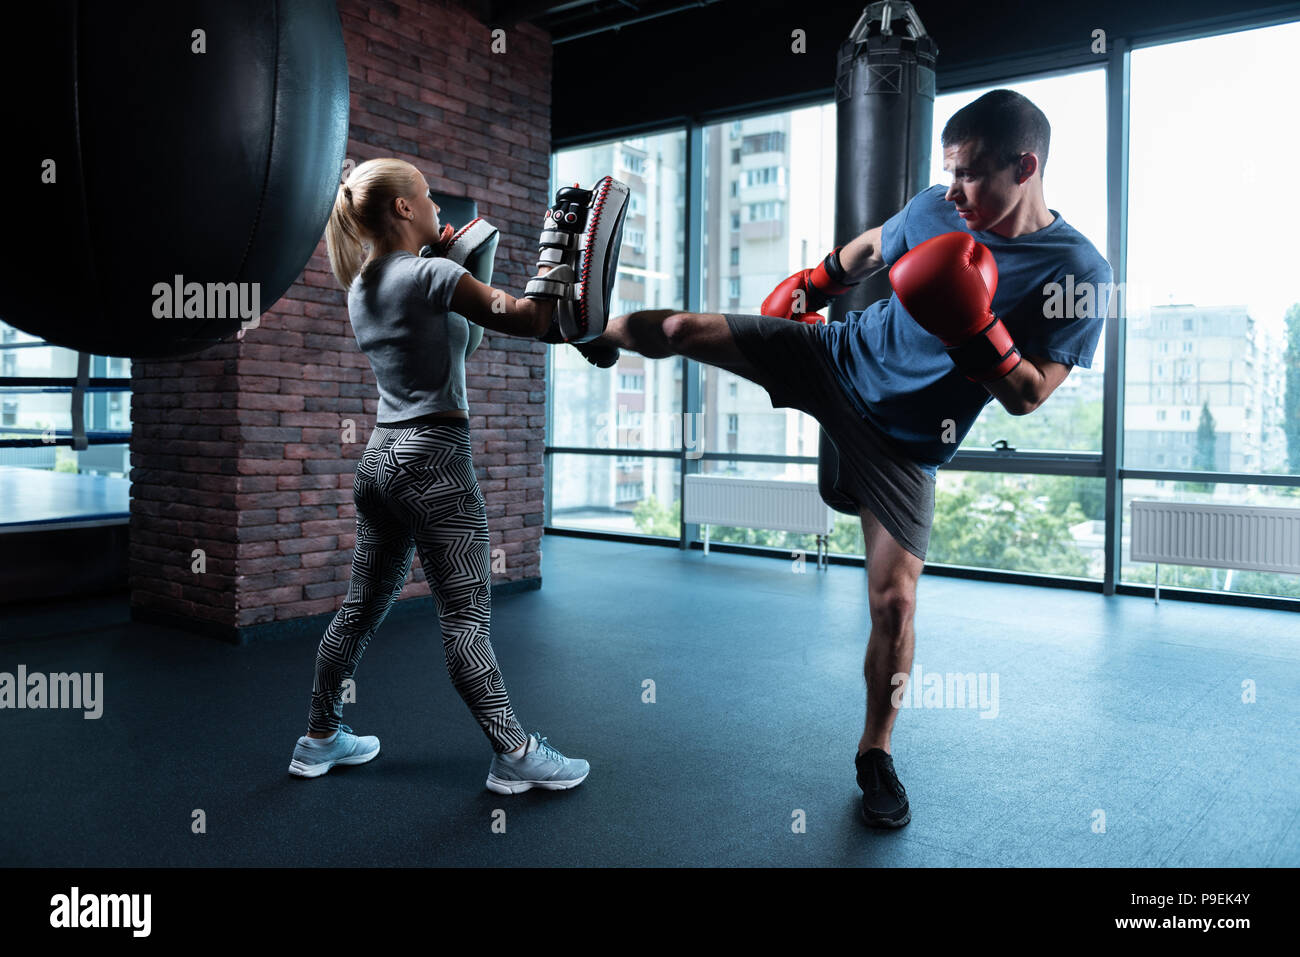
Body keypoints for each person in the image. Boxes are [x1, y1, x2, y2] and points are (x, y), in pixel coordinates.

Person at [584, 90, 1112, 827]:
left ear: (1025, 166)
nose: (953, 191)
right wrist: (816, 281)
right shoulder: (936, 208)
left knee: (894, 603)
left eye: (970, 175)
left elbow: (1027, 396)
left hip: (908, 444)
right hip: (839, 356)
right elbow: (871, 247)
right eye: (949, 172)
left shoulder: (1078, 271)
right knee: (679, 325)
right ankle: (594, 330)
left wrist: (975, 322)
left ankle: (876, 752)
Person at [288, 157, 593, 794]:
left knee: (361, 605)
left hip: (379, 461)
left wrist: (466, 266)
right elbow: (533, 320)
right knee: (464, 618)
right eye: (425, 197)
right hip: (435, 460)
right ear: (402, 208)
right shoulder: (432, 274)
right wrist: (557, 241)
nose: (434, 208)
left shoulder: (363, 285)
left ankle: (319, 737)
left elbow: (465, 342)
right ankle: (513, 752)